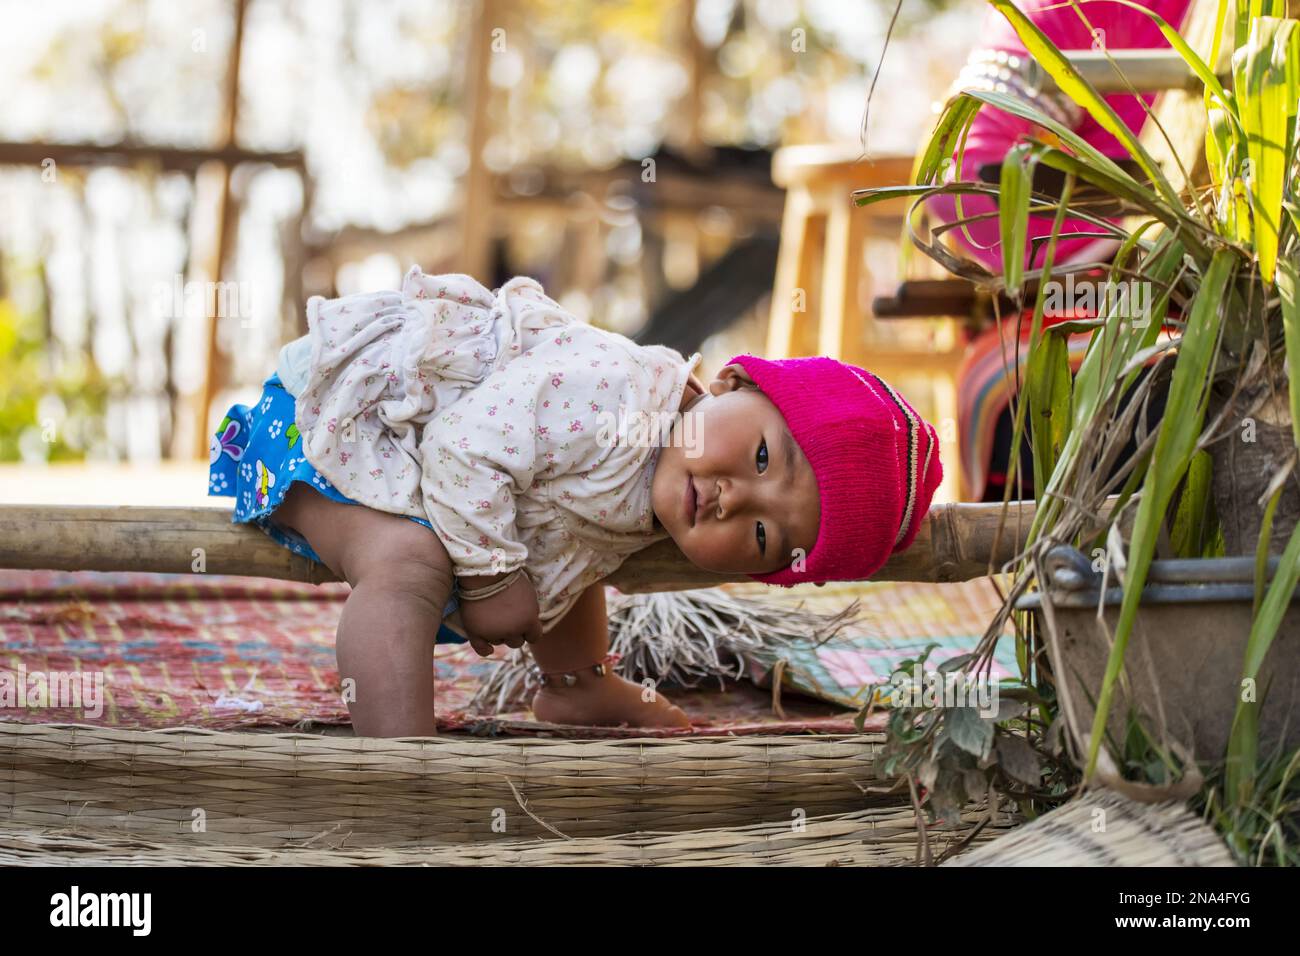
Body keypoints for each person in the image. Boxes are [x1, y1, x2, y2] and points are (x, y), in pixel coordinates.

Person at [209, 266, 941, 736]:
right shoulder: (614, 397)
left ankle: (577, 686)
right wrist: (495, 579)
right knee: (408, 561)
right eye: (758, 458)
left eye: (761, 536)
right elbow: (460, 447)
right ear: (732, 385)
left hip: (439, 470)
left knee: (583, 540)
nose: (730, 500)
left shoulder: (668, 462)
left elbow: (575, 541)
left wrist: (522, 585)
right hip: (330, 428)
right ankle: (400, 775)